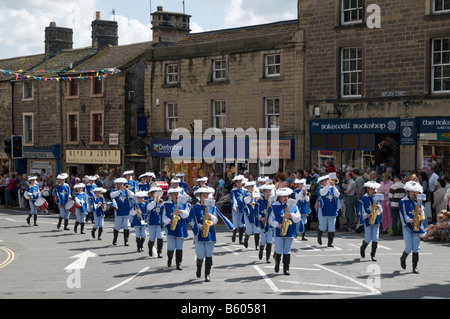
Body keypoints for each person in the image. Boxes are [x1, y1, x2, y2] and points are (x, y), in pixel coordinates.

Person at [268, 187, 301, 275]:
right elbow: (270, 220)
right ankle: (277, 263)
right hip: (279, 231)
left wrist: (292, 215)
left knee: (287, 250)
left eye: (286, 196)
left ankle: (286, 269)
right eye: (283, 196)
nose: (285, 198)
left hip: (290, 231)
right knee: (278, 250)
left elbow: (298, 218)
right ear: (279, 197)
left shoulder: (293, 205)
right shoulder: (274, 206)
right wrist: (277, 224)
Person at [191, 187, 219, 282]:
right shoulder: (195, 207)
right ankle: (199, 267)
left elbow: (216, 220)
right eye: (204, 196)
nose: (206, 197)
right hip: (199, 235)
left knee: (209, 255)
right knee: (200, 255)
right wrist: (199, 226)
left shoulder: (212, 207)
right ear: (200, 197)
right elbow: (191, 220)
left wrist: (212, 217)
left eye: (207, 196)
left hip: (210, 234)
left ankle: (207, 274)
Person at [399, 181, 426, 274]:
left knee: (416, 248)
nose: (414, 193)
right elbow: (403, 214)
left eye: (416, 192)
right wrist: (410, 220)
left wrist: (421, 211)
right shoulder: (402, 201)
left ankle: (414, 267)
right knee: (409, 247)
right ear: (408, 191)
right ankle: (403, 257)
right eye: (412, 191)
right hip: (407, 227)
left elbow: (424, 216)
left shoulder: (419, 202)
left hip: (417, 226)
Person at [163, 187, 190, 270]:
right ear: (170, 195)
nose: (176, 195)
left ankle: (179, 263)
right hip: (170, 227)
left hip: (180, 227)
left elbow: (187, 214)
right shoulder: (166, 204)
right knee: (171, 246)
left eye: (177, 194)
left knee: (179, 246)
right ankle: (170, 258)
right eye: (174, 194)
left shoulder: (184, 204)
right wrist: (168, 221)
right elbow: (163, 216)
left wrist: (181, 211)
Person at [358, 182, 383, 261]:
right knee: (368, 238)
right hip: (368, 220)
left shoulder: (376, 198)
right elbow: (360, 210)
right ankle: (363, 247)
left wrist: (378, 207)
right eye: (372, 189)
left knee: (375, 238)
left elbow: (381, 210)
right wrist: (366, 215)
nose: (373, 191)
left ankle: (373, 255)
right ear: (368, 189)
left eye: (374, 189)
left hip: (375, 219)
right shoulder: (363, 199)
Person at [110, 177, 135, 246]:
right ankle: (115, 240)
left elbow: (132, 196)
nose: (120, 185)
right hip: (118, 212)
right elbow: (112, 195)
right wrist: (120, 191)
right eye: (118, 184)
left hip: (126, 211)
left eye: (121, 184)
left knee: (127, 226)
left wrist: (127, 190)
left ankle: (126, 241)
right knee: (117, 226)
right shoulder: (114, 191)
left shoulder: (126, 191)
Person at [317, 175, 340, 247]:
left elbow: (337, 195)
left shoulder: (332, 188)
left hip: (332, 210)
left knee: (332, 228)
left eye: (328, 180)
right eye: (325, 180)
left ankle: (330, 242)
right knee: (323, 227)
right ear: (322, 182)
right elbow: (323, 193)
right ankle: (319, 236)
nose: (327, 181)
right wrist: (328, 185)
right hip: (323, 210)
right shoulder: (320, 189)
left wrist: (333, 186)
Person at [257, 183, 276, 263]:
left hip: (270, 224)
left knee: (270, 241)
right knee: (263, 240)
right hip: (262, 224)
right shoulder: (259, 201)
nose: (268, 194)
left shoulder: (272, 202)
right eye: (266, 192)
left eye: (269, 192)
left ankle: (268, 257)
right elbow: (256, 213)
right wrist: (260, 218)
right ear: (263, 192)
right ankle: (261, 250)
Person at [146, 186, 165, 258]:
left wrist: (159, 200)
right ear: (152, 194)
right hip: (151, 223)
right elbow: (149, 207)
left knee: (160, 237)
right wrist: (155, 200)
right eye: (154, 193)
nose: (156, 194)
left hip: (159, 223)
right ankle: (150, 248)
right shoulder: (149, 201)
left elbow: (163, 208)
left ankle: (159, 252)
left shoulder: (161, 201)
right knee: (152, 238)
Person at [243, 181, 260, 250]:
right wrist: (250, 196)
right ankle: (246, 239)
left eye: (252, 186)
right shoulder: (245, 193)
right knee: (249, 230)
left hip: (256, 212)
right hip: (248, 213)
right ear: (247, 188)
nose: (251, 188)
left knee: (256, 230)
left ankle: (257, 245)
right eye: (249, 187)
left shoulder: (257, 193)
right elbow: (245, 201)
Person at [230, 175, 246, 244]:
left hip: (242, 208)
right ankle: (234, 234)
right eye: (238, 182)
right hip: (236, 208)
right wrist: (234, 207)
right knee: (236, 223)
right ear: (235, 183)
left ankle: (240, 239)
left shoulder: (245, 190)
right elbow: (234, 200)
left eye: (240, 182)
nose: (239, 183)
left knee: (242, 224)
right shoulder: (233, 191)